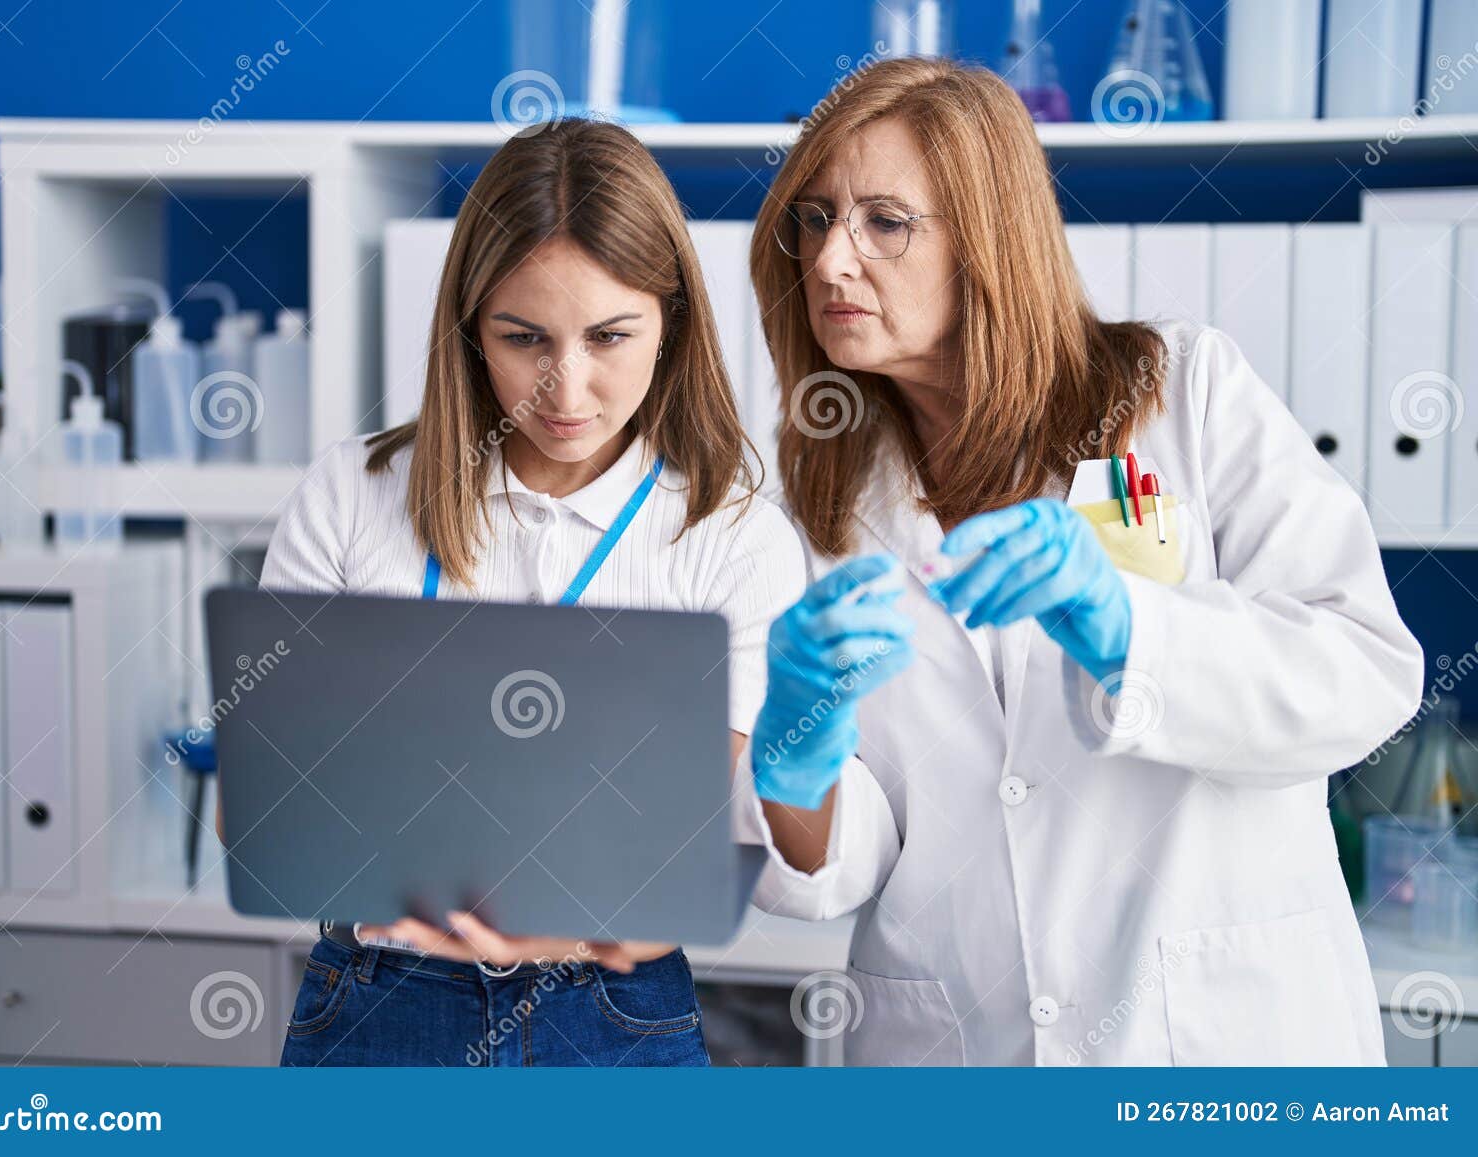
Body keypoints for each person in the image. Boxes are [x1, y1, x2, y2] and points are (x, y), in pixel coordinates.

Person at [737, 57, 1424, 1066]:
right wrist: (793, 753)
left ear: (987, 239)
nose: (830, 261)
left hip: (1215, 1041)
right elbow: (842, 862)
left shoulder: (1180, 390)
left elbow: (1365, 672)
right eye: (813, 217)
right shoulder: (815, 500)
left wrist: (1130, 630)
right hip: (959, 1047)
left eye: (884, 222)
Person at [254, 118, 804, 1067]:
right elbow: (261, 820)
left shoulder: (732, 531)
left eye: (610, 336)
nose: (567, 387)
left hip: (613, 1017)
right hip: (380, 1005)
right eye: (523, 338)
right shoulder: (352, 492)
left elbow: (690, 848)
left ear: (671, 323)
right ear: (470, 329)